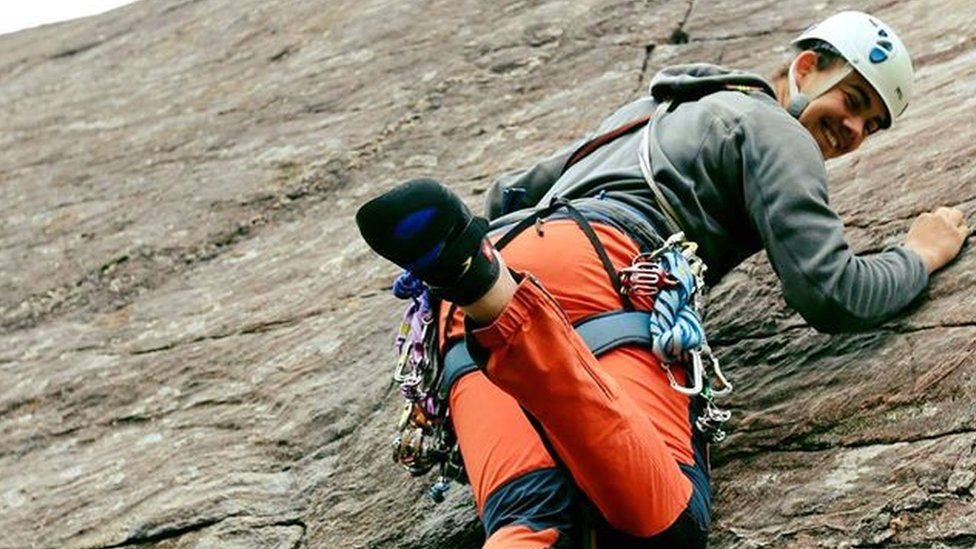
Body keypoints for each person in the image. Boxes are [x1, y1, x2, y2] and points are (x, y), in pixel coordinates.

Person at [356, 10, 970, 549]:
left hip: (468, 314)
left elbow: (511, 192)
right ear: (807, 68)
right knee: (663, 521)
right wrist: (919, 255)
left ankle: (482, 283)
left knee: (532, 522)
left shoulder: (646, 111)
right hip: (603, 278)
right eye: (855, 102)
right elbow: (830, 291)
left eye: (874, 126)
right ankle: (495, 294)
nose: (856, 131)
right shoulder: (775, 129)